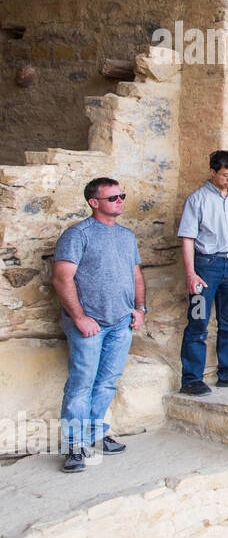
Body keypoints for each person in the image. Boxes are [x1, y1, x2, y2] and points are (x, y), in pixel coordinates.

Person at [51, 177, 145, 473]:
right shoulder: (78, 235)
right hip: (89, 324)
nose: (120, 201)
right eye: (113, 198)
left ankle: (94, 434)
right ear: (94, 203)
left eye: (121, 196)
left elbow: (136, 275)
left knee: (107, 381)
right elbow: (62, 278)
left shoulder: (126, 236)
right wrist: (79, 317)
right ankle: (74, 446)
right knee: (81, 384)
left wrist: (139, 308)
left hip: (121, 323)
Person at [178, 150, 228, 395]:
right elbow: (188, 238)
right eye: (226, 174)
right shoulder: (197, 199)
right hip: (206, 267)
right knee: (198, 321)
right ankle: (191, 378)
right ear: (213, 172)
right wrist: (191, 273)